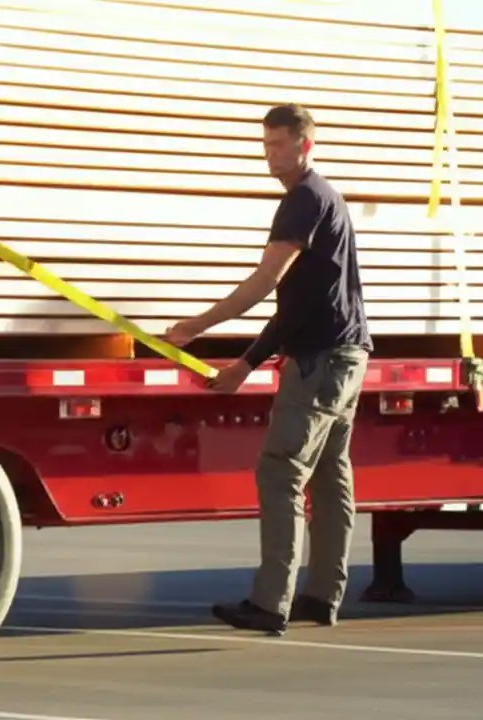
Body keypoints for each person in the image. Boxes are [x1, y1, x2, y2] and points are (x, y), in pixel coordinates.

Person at [164, 103, 372, 635]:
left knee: (280, 470)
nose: (269, 154)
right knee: (329, 478)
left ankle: (269, 603)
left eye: (279, 144)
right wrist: (246, 363)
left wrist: (197, 325)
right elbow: (294, 306)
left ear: (306, 145)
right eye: (265, 144)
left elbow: (263, 283)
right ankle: (323, 596)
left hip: (322, 361)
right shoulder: (323, 198)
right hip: (345, 355)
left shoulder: (304, 201)